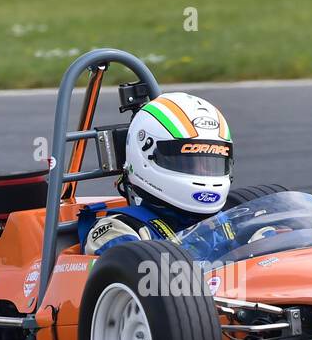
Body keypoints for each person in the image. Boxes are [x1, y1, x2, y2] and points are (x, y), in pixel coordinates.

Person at [77, 92, 233, 254]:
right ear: (145, 157)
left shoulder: (228, 220)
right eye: (189, 162)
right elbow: (135, 271)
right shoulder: (119, 231)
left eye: (210, 164)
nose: (203, 173)